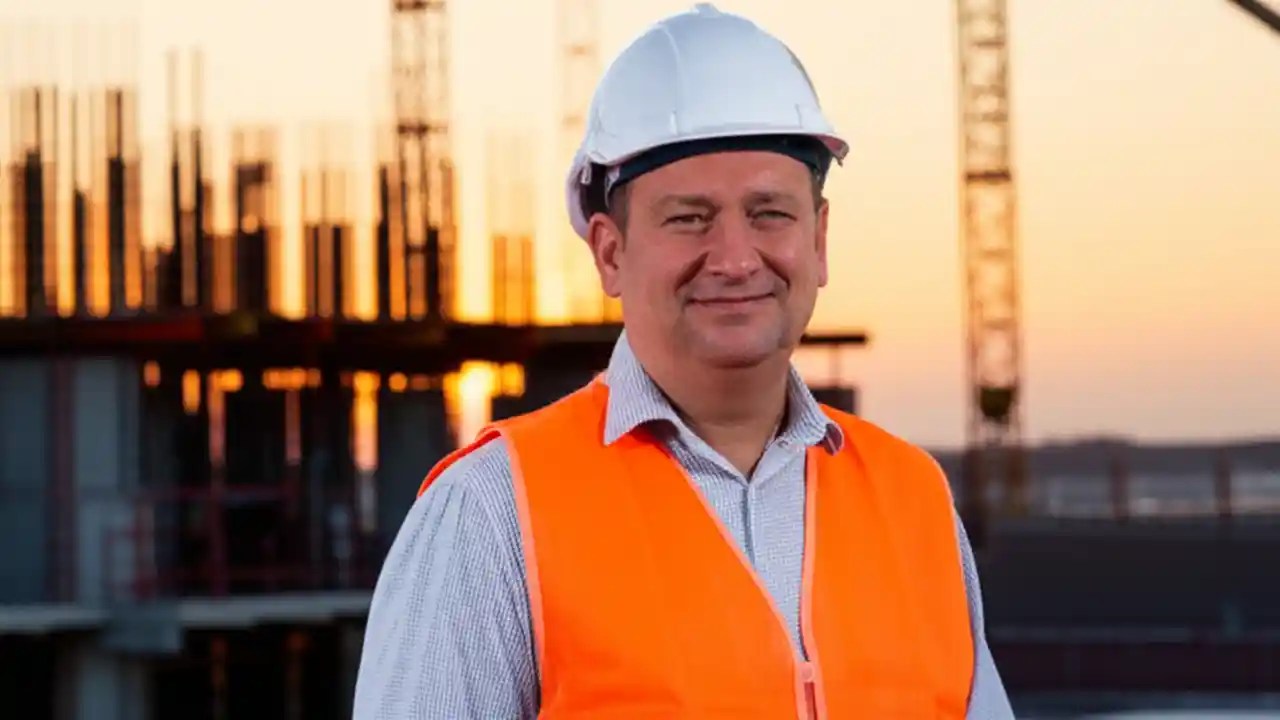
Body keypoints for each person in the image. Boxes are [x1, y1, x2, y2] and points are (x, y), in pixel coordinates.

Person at [353, 4, 1015, 718]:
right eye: (689, 218)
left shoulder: (914, 502)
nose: (735, 258)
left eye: (769, 213)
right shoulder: (492, 514)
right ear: (610, 253)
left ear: (819, 240)